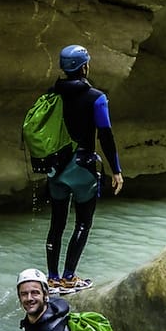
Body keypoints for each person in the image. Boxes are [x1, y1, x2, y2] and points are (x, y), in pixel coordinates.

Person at [44, 44, 124, 293]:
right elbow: (106, 135)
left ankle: (52, 278)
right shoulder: (96, 97)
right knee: (82, 223)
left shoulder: (52, 94)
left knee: (57, 224)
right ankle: (69, 277)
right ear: (84, 66)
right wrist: (116, 170)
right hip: (81, 168)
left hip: (55, 168)